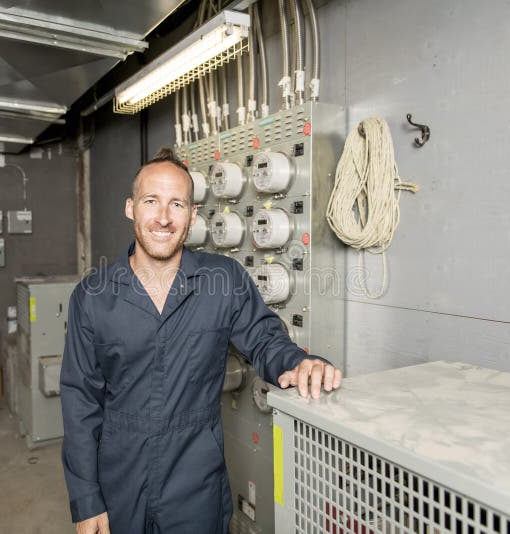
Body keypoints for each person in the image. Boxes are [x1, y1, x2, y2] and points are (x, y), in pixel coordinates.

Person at [60, 148, 342, 534]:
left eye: (176, 204)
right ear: (130, 208)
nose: (163, 217)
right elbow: (80, 401)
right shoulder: (93, 296)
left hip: (195, 482)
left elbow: (264, 339)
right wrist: (86, 499)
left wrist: (299, 363)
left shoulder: (223, 281)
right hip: (118, 481)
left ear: (192, 215)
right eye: (151, 201)